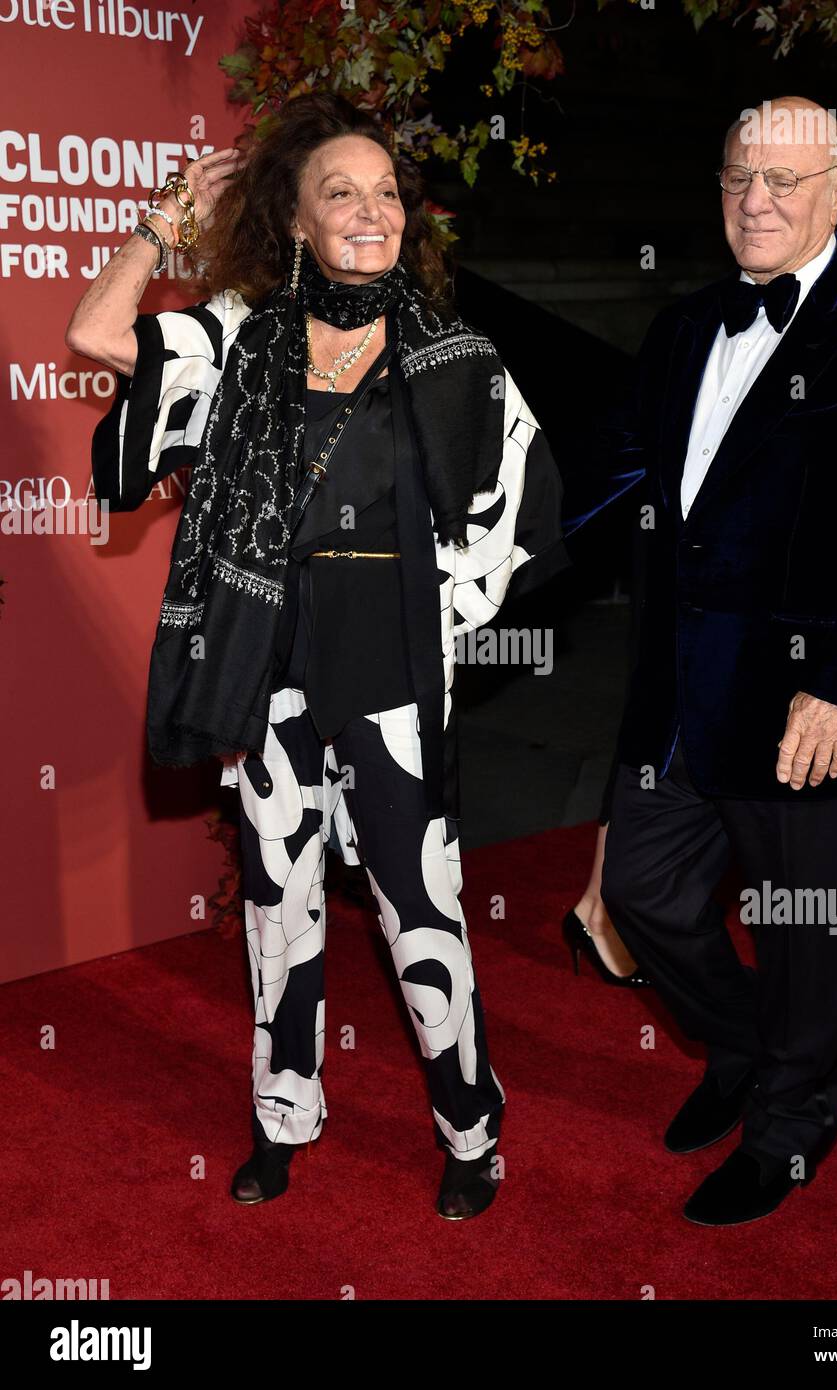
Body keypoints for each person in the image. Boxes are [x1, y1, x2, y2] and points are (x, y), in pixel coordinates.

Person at [67, 92, 565, 1221]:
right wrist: (165, 221)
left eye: (387, 191)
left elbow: (523, 508)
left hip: (389, 675)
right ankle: (282, 1115)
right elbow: (102, 335)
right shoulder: (240, 335)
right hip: (271, 674)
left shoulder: (453, 354)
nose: (372, 209)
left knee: (421, 917)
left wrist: (446, 619)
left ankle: (470, 1129)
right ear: (294, 219)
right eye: (340, 191)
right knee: (276, 914)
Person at [563, 96, 837, 1225]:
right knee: (640, 895)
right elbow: (614, 466)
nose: (756, 199)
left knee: (806, 938)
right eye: (741, 175)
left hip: (806, 699)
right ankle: (741, 1047)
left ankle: (791, 1128)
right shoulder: (689, 323)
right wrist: (471, 538)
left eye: (785, 181)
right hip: (676, 696)